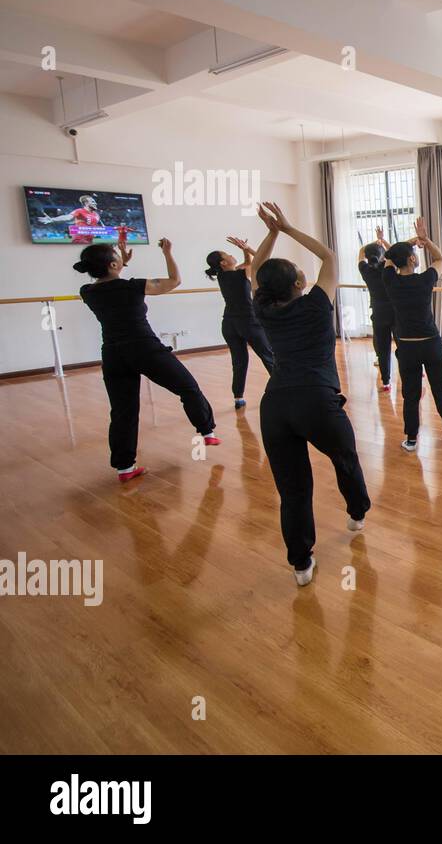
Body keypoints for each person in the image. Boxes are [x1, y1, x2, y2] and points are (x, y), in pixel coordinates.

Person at [250, 201, 370, 587]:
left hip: (275, 405)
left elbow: (255, 271)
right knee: (345, 458)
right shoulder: (318, 305)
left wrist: (270, 234)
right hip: (317, 400)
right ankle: (356, 512)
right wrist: (285, 227)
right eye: (302, 274)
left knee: (293, 489)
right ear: (300, 284)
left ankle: (301, 564)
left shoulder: (264, 308)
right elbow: (329, 255)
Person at [74, 228, 219, 482]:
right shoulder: (133, 287)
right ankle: (206, 431)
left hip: (113, 354)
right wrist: (167, 253)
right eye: (116, 260)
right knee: (187, 387)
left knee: (123, 411)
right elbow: (174, 281)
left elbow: (112, 284)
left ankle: (124, 468)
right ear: (113, 264)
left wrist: (121, 262)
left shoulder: (87, 291)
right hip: (145, 348)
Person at [382, 218, 442, 451]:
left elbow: (388, 257)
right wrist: (424, 240)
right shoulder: (425, 280)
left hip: (407, 348)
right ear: (414, 259)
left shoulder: (390, 280)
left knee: (411, 394)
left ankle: (412, 439)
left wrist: (409, 243)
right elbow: (439, 258)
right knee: (440, 389)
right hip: (431, 344)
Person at [205, 236, 275, 408]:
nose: (230, 255)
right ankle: (287, 389)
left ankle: (238, 397)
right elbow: (260, 259)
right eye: (227, 254)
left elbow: (248, 263)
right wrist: (246, 248)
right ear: (223, 263)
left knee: (239, 361)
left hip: (229, 324)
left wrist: (244, 251)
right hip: (248, 323)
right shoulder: (240, 273)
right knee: (269, 356)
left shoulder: (223, 276)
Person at [357, 226, 395, 391]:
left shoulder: (365, 270)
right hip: (394, 311)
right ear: (382, 256)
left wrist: (374, 243)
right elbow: (394, 251)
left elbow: (360, 252)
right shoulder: (387, 269)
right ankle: (417, 372)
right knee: (402, 343)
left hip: (378, 313)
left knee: (383, 348)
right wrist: (382, 239)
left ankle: (386, 382)